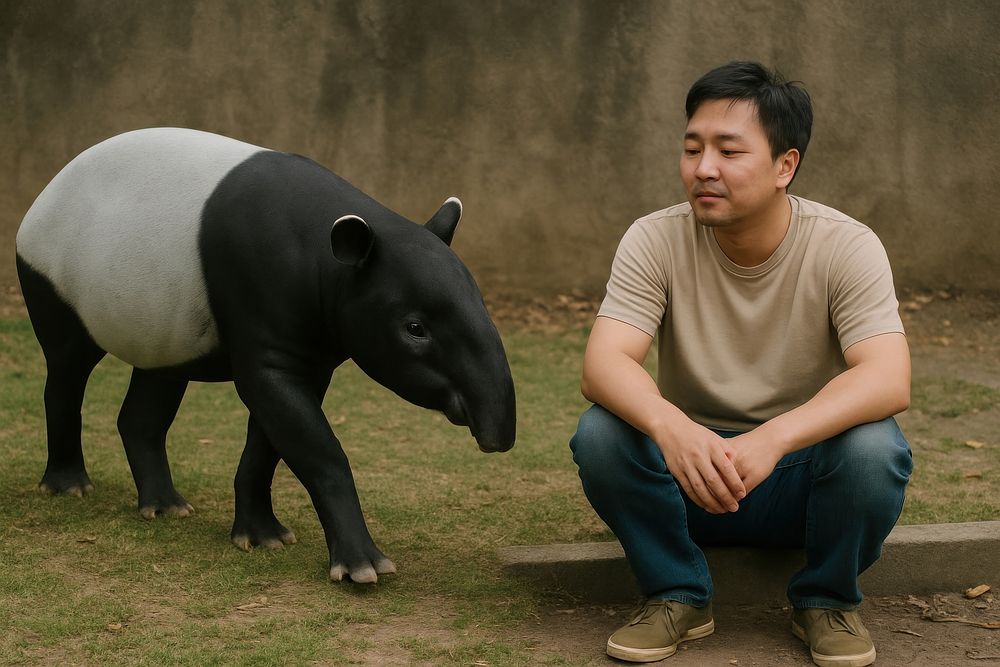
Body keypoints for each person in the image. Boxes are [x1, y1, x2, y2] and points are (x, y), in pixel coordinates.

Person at [569, 61, 912, 667]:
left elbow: (887, 376)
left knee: (873, 448)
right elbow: (603, 364)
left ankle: (826, 600)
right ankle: (676, 592)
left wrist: (774, 438)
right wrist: (672, 427)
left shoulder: (846, 245)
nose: (703, 168)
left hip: (800, 480)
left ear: (786, 165)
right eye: (692, 148)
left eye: (729, 151)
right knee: (601, 432)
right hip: (688, 478)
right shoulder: (654, 239)